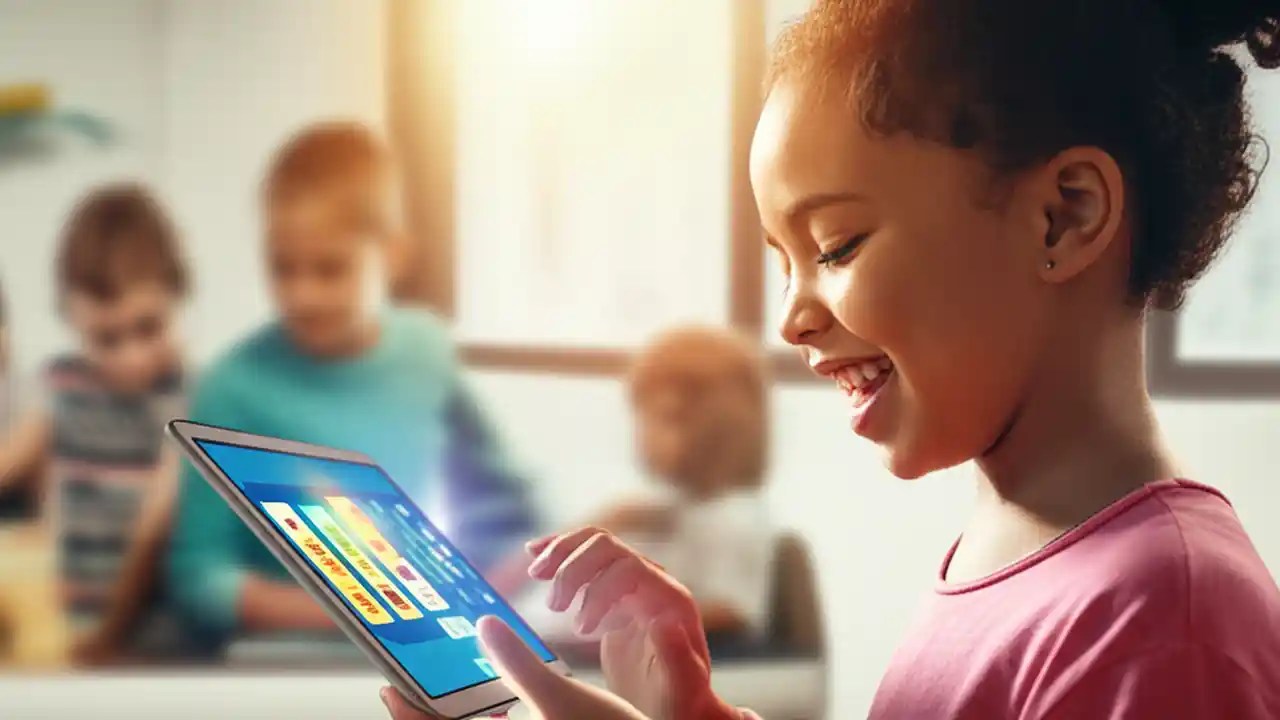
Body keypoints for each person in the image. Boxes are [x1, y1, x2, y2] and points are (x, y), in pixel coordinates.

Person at [384, 0, 1280, 717]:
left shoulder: (1164, 620)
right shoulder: (1023, 542)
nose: (793, 320)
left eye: (837, 246)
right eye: (784, 261)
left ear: (1064, 216)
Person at [167, 121, 541, 645]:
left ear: (394, 256)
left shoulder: (427, 352)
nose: (302, 295)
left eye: (330, 270)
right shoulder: (230, 389)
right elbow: (198, 579)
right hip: (281, 664)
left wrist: (475, 595)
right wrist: (362, 611)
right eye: (282, 269)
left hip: (424, 648)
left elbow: (513, 508)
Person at [0, 183, 189, 664]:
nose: (131, 357)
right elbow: (11, 459)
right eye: (106, 338)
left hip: (151, 637)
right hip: (66, 625)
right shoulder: (60, 386)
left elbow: (152, 531)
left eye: (149, 327)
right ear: (71, 317)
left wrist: (106, 637)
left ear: (177, 294)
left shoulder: (189, 400)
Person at [599, 326, 775, 639]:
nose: (646, 435)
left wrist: (639, 625)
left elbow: (729, 611)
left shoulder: (732, 519)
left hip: (719, 660)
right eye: (643, 418)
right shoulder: (680, 511)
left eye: (666, 418)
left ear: (719, 430)